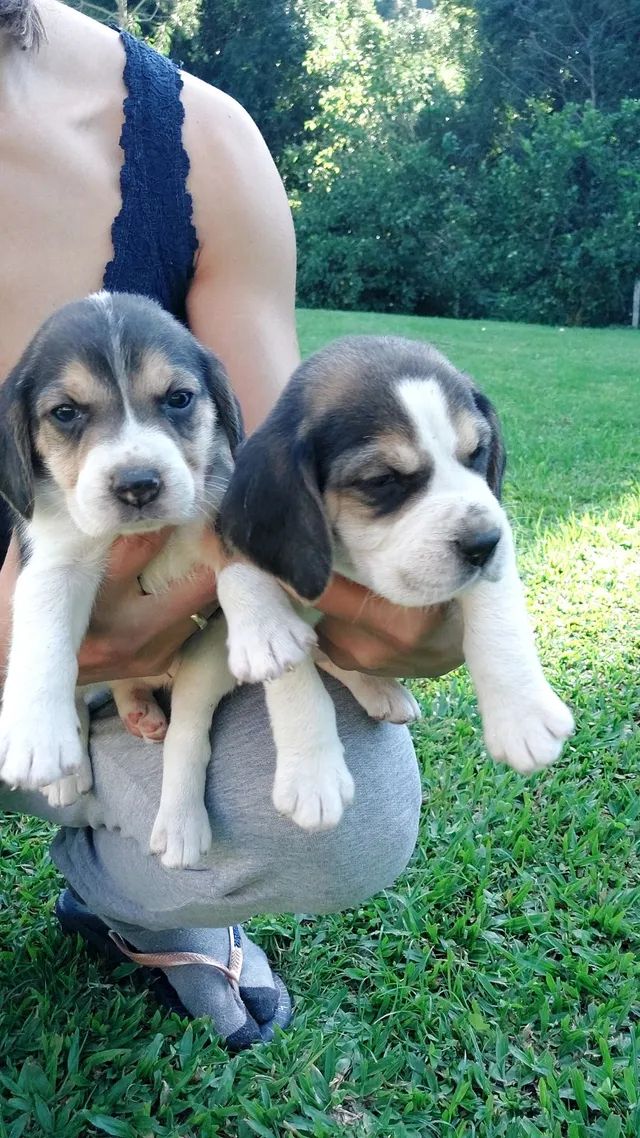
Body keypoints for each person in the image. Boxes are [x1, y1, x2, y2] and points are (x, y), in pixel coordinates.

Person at [0, 0, 463, 1050]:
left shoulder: (193, 138)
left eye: (170, 404)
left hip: (149, 655)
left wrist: (383, 590)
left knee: (338, 814)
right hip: (51, 645)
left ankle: (131, 892)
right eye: (72, 414)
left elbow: (265, 494)